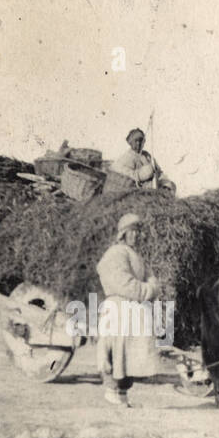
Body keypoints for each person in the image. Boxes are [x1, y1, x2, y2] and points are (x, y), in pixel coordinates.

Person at [95, 212, 161, 407]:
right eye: (132, 232)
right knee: (115, 349)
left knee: (130, 353)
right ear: (123, 233)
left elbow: (152, 278)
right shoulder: (116, 253)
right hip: (118, 308)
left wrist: (150, 288)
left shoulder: (135, 255)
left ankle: (122, 393)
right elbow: (123, 283)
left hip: (133, 308)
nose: (136, 236)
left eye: (138, 232)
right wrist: (148, 290)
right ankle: (111, 389)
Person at [109, 128, 176, 193]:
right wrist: (140, 175)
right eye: (136, 141)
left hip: (154, 190)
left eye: (141, 140)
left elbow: (159, 173)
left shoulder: (147, 156)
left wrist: (165, 184)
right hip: (137, 192)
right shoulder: (126, 157)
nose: (138, 143)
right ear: (131, 142)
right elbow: (122, 174)